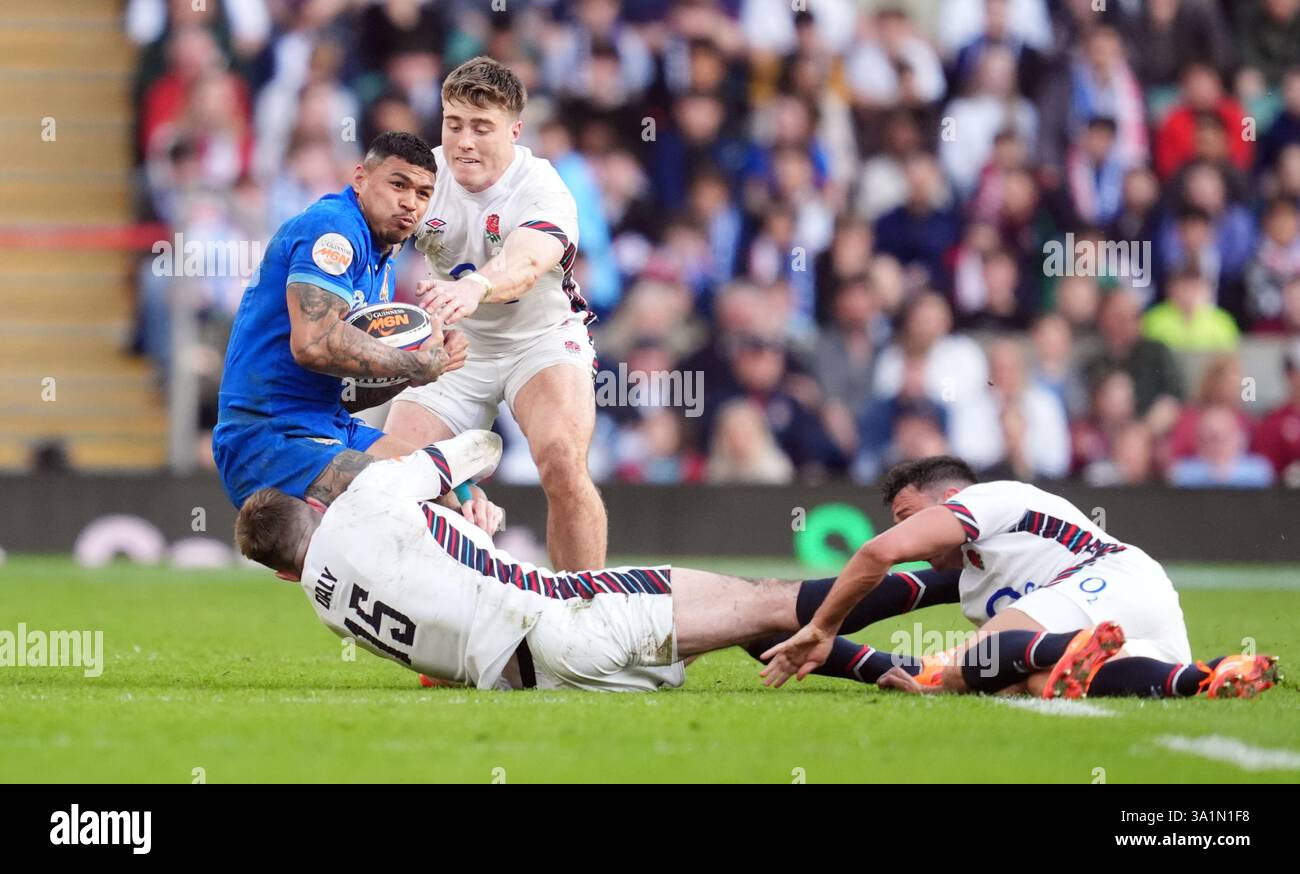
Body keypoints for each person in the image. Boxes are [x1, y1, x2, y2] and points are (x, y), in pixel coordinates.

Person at [235, 430, 965, 692]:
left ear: (282, 573)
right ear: (317, 508)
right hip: (563, 611)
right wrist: (455, 495)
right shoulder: (365, 495)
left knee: (740, 623)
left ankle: (899, 673)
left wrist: (451, 528)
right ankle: (955, 576)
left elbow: (426, 581)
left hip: (539, 680)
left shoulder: (323, 607)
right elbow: (478, 448)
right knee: (769, 599)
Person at [758, 456, 1280, 699]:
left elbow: (877, 556)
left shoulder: (984, 501)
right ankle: (1208, 677)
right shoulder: (975, 578)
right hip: (1135, 611)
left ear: (949, 502)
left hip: (1108, 577)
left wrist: (822, 628)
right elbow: (891, 592)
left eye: (911, 516)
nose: (909, 534)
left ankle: (1072, 645)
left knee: (974, 663)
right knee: (1035, 681)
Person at [383, 57, 607, 571]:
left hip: (541, 340)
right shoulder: (424, 177)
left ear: (515, 130)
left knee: (562, 461)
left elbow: (526, 263)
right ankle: (470, 522)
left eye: (482, 128)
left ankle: (588, 614)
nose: (464, 142)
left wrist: (475, 286)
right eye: (453, 123)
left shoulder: (543, 188)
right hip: (459, 346)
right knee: (396, 473)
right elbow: (371, 237)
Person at [212, 132, 495, 533]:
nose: (409, 202)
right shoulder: (335, 231)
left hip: (328, 424)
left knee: (453, 496)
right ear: (361, 179)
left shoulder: (382, 258)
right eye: (398, 184)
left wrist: (430, 363)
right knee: (412, 503)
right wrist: (413, 363)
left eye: (423, 193)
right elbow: (313, 343)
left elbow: (351, 393)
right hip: (267, 435)